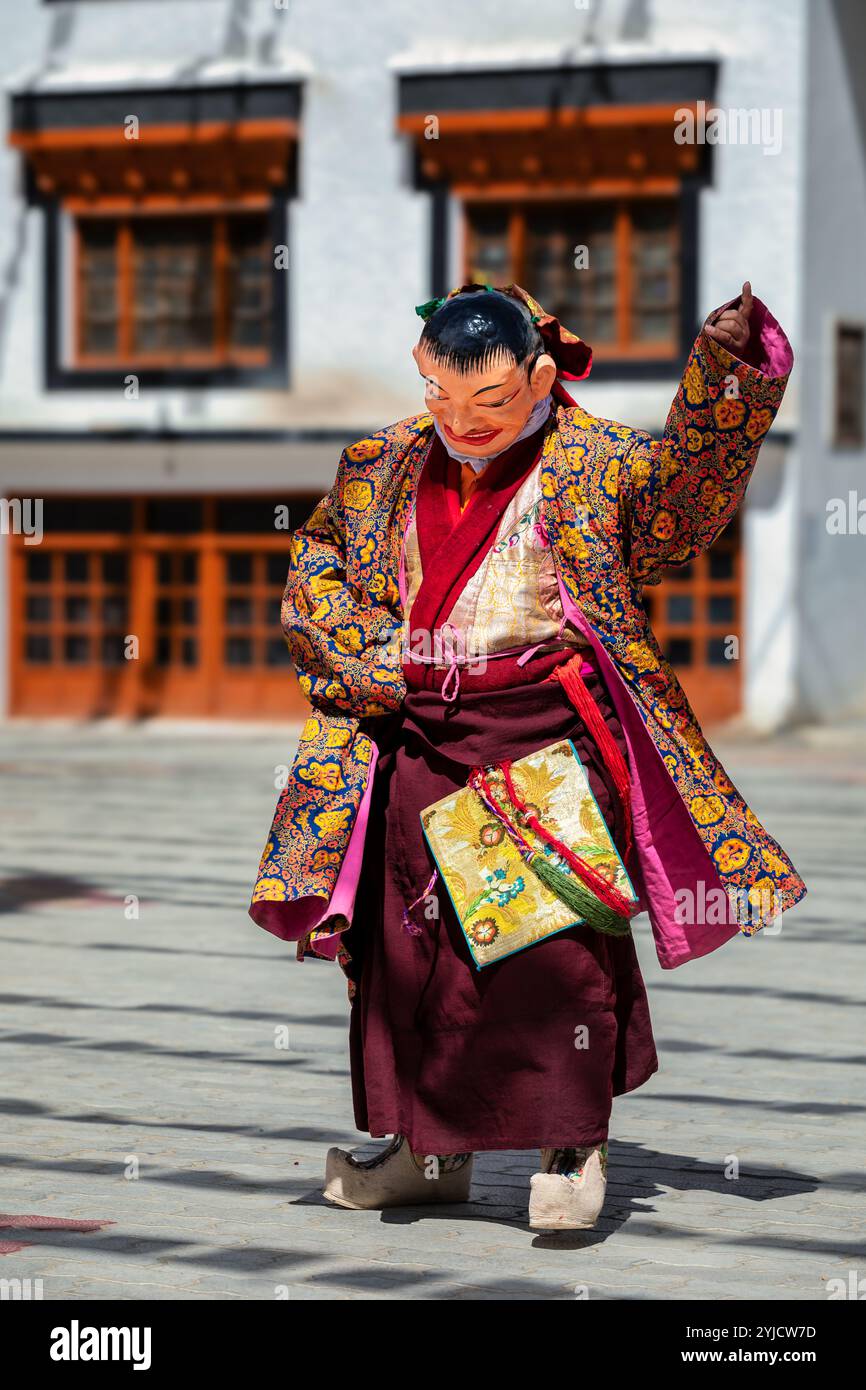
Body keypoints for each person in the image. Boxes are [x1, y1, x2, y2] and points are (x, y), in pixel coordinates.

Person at [249, 279, 806, 1232]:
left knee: (544, 950)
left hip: (537, 734)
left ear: (541, 376)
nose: (460, 423)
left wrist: (726, 374)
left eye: (491, 401)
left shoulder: (597, 464)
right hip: (414, 727)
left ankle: (571, 1151)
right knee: (409, 951)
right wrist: (372, 656)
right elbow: (318, 570)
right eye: (440, 396)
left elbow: (688, 505)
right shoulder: (381, 462)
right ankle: (427, 1155)